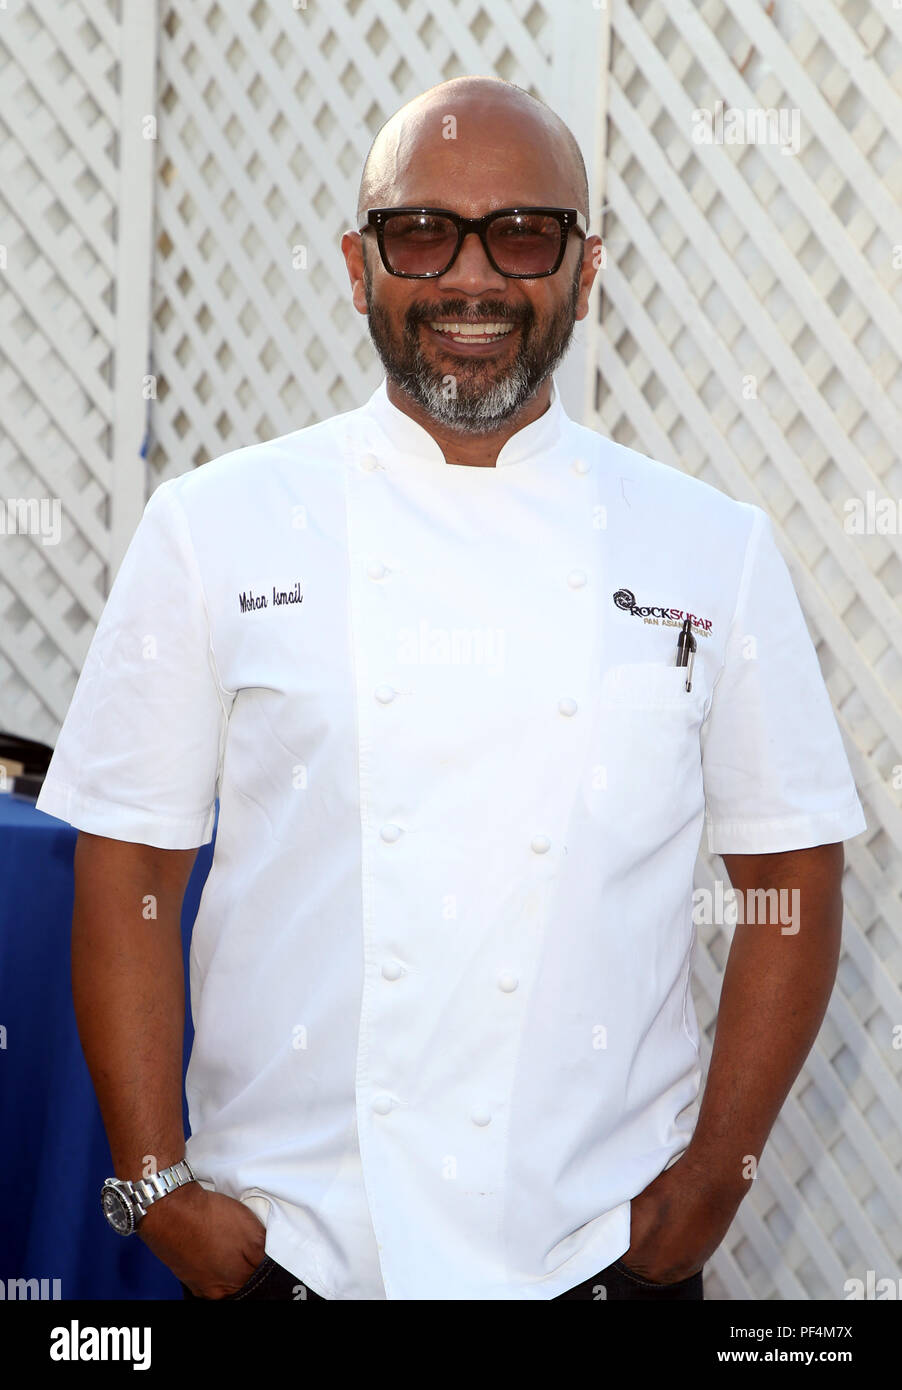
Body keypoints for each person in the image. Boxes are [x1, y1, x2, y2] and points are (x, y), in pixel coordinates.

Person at [36, 76, 866, 1302]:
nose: (469, 278)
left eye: (522, 233)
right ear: (357, 265)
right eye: (419, 232)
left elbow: (789, 870)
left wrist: (718, 1174)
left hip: (597, 1253)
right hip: (295, 1247)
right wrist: (157, 1184)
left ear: (583, 270)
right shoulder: (215, 526)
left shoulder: (710, 547)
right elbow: (129, 865)